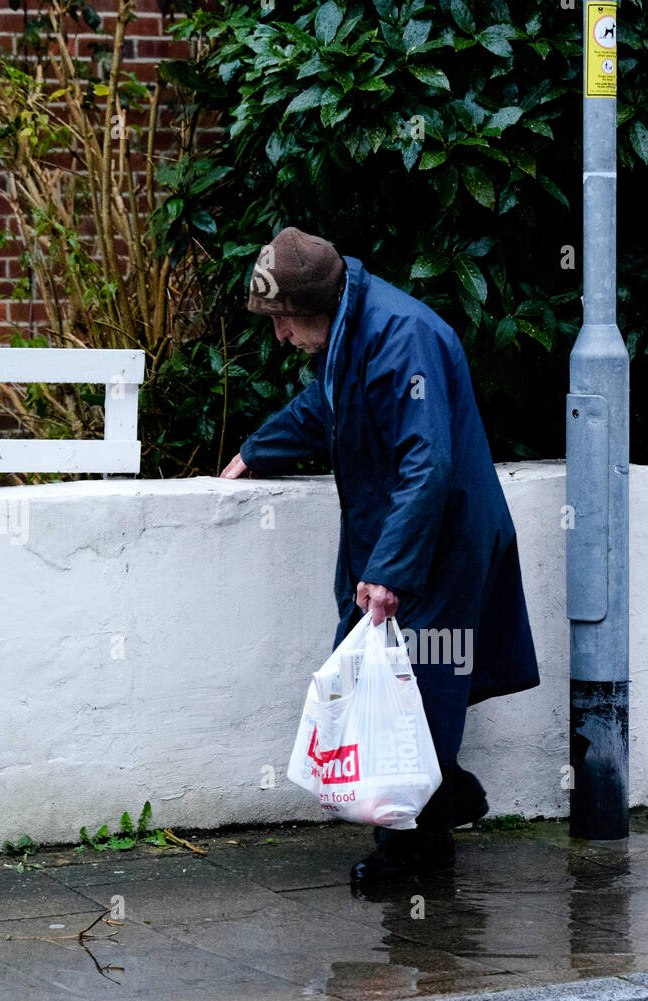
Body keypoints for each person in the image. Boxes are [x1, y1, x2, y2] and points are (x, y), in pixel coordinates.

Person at [222, 226, 539, 884]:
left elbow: (427, 465)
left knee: (411, 695)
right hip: (407, 537)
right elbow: (327, 409)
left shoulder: (401, 336)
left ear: (315, 304)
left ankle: (414, 861)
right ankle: (447, 795)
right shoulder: (354, 328)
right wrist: (256, 450)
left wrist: (392, 571)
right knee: (394, 688)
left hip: (439, 543)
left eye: (281, 320)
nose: (279, 336)